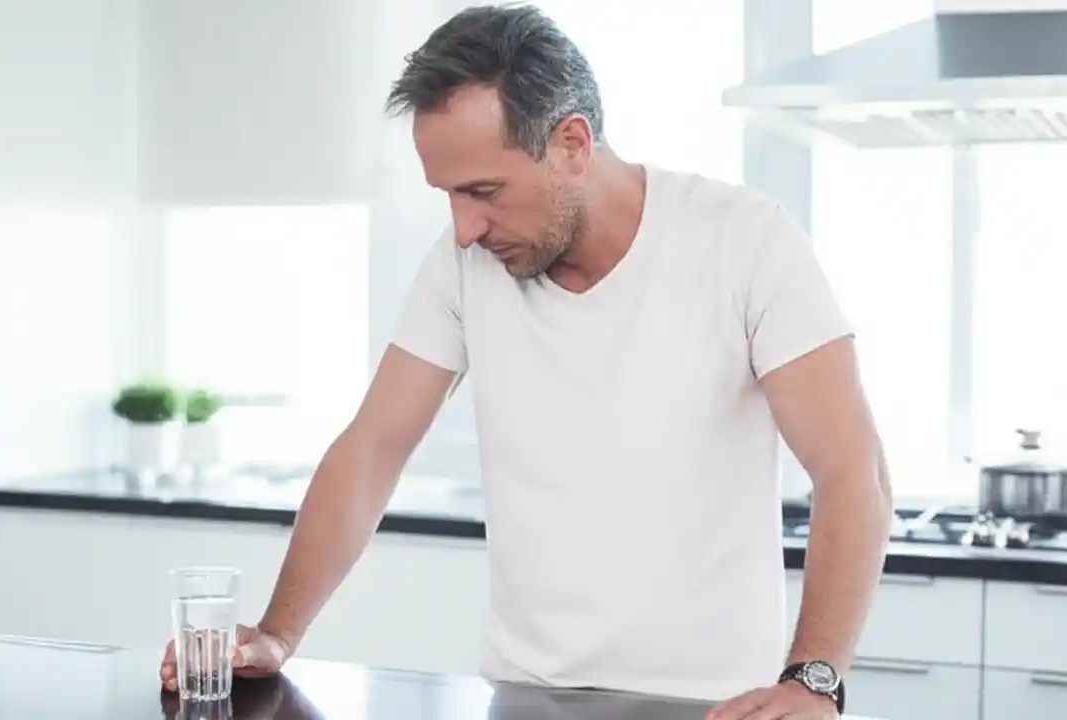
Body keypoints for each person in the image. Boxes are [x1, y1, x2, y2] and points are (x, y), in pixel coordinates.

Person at [159, 5, 892, 719]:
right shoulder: (461, 265)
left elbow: (850, 468)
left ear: (572, 143)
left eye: (484, 192)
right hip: (528, 698)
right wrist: (279, 632)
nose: (466, 227)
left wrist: (814, 680)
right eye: (448, 195)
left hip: (712, 705)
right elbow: (372, 449)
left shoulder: (744, 241)